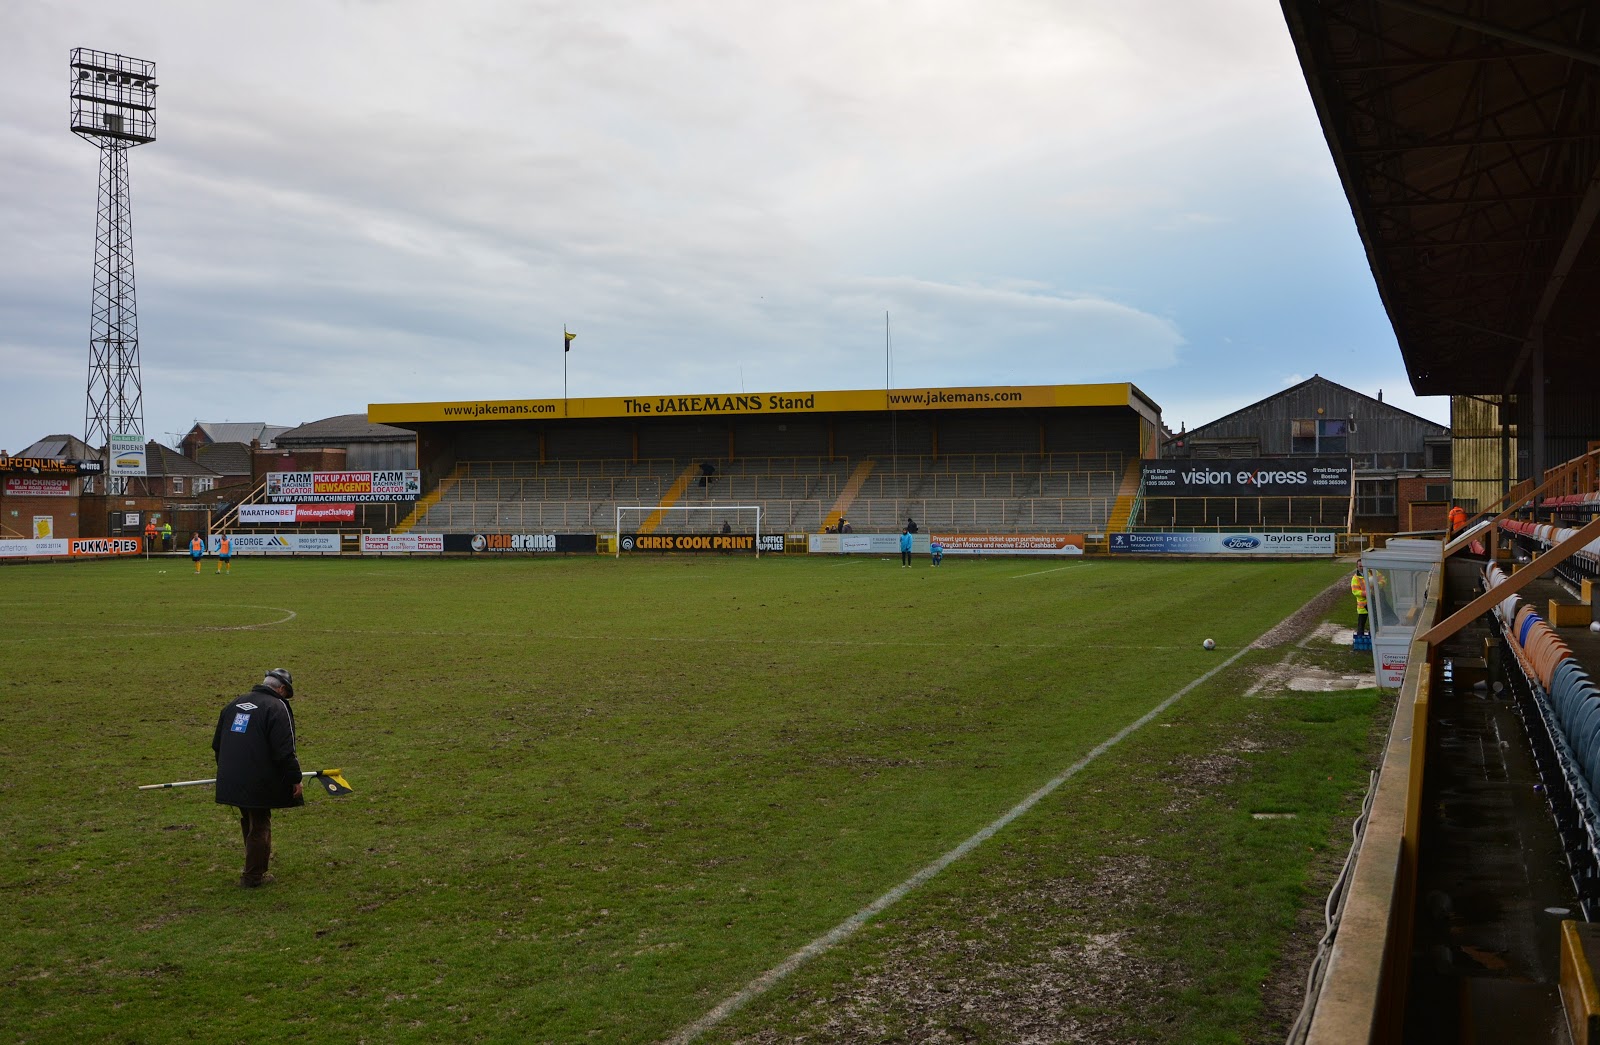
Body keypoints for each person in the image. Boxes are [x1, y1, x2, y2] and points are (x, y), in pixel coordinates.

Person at [213, 668, 303, 888]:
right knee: (260, 824)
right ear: (281, 689)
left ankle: (255, 869)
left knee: (250, 820)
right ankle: (253, 876)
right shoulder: (276, 706)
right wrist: (295, 778)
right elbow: (284, 750)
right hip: (258, 779)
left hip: (231, 776)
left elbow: (217, 745)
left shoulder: (235, 703)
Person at [1351, 570, 1369, 637]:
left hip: (1373, 603)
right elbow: (1355, 591)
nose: (1361, 567)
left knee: (1375, 623)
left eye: (1362, 566)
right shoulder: (1355, 578)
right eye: (1360, 566)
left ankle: (1373, 637)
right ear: (1357, 567)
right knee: (1361, 624)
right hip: (1363, 606)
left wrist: (1377, 587)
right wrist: (1366, 594)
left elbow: (1382, 580)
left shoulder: (1373, 572)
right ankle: (1360, 638)